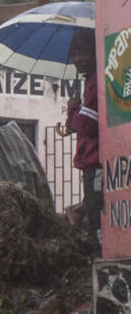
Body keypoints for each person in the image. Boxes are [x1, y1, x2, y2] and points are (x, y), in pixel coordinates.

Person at [65, 29, 102, 247]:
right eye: (75, 54)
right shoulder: (91, 81)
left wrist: (73, 110)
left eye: (84, 53)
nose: (78, 59)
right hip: (91, 165)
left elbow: (87, 125)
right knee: (92, 213)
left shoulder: (96, 82)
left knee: (97, 222)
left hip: (96, 163)